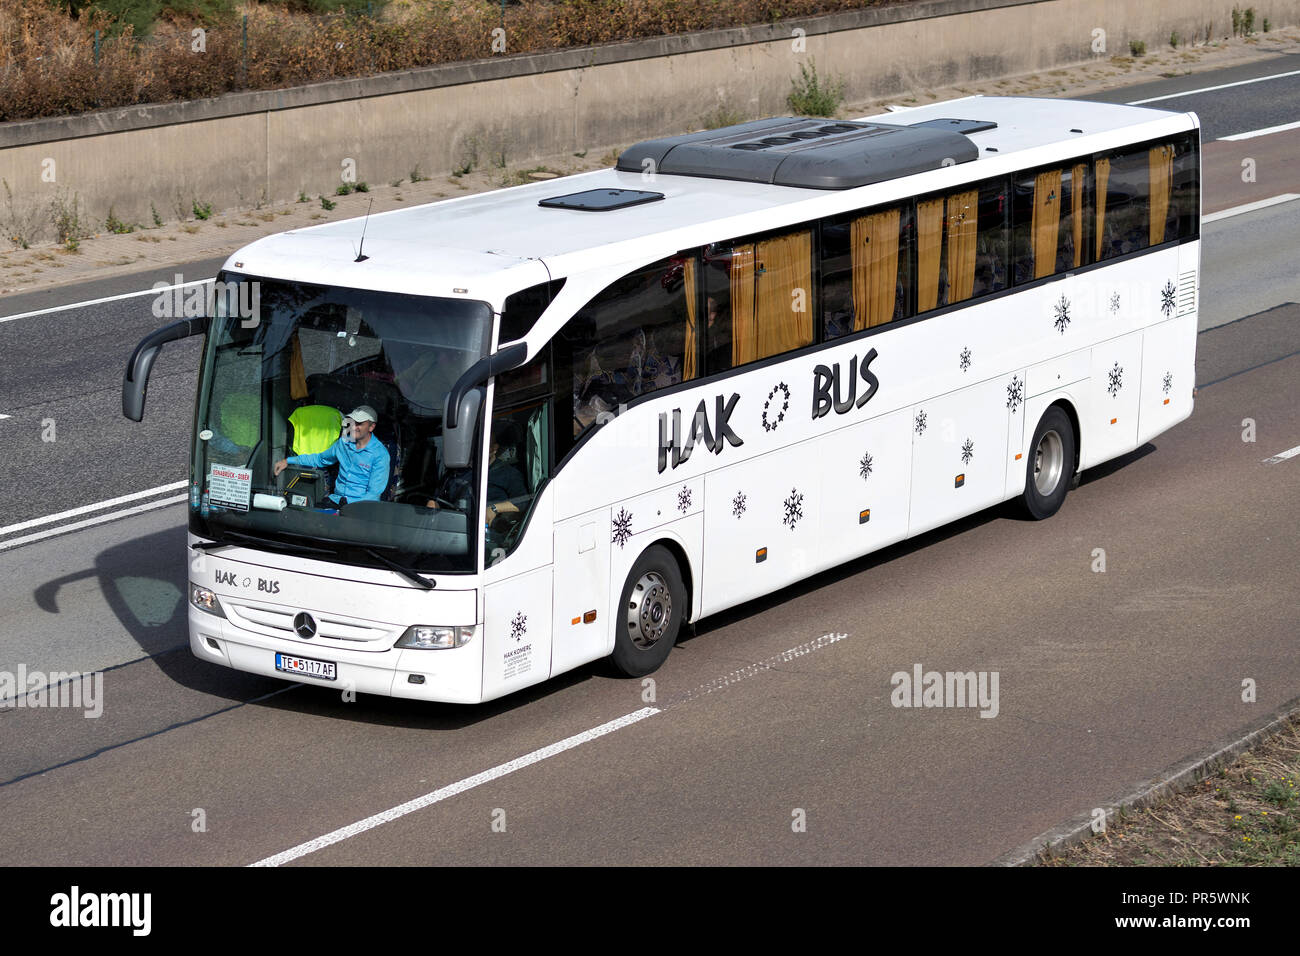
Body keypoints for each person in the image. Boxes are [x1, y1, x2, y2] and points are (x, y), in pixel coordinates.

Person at [273, 405, 390, 504]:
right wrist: (287, 461)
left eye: (359, 424)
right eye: (352, 422)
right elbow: (319, 459)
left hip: (361, 506)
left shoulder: (380, 454)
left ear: (371, 427)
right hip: (335, 501)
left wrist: (352, 510)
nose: (354, 427)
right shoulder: (344, 442)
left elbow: (373, 494)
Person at [427, 421, 526, 524]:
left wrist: (494, 509)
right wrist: (433, 505)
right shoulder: (456, 472)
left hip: (487, 533)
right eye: (473, 446)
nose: (476, 450)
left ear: (494, 448)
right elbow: (439, 499)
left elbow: (523, 502)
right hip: (454, 527)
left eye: (482, 445)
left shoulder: (508, 473)